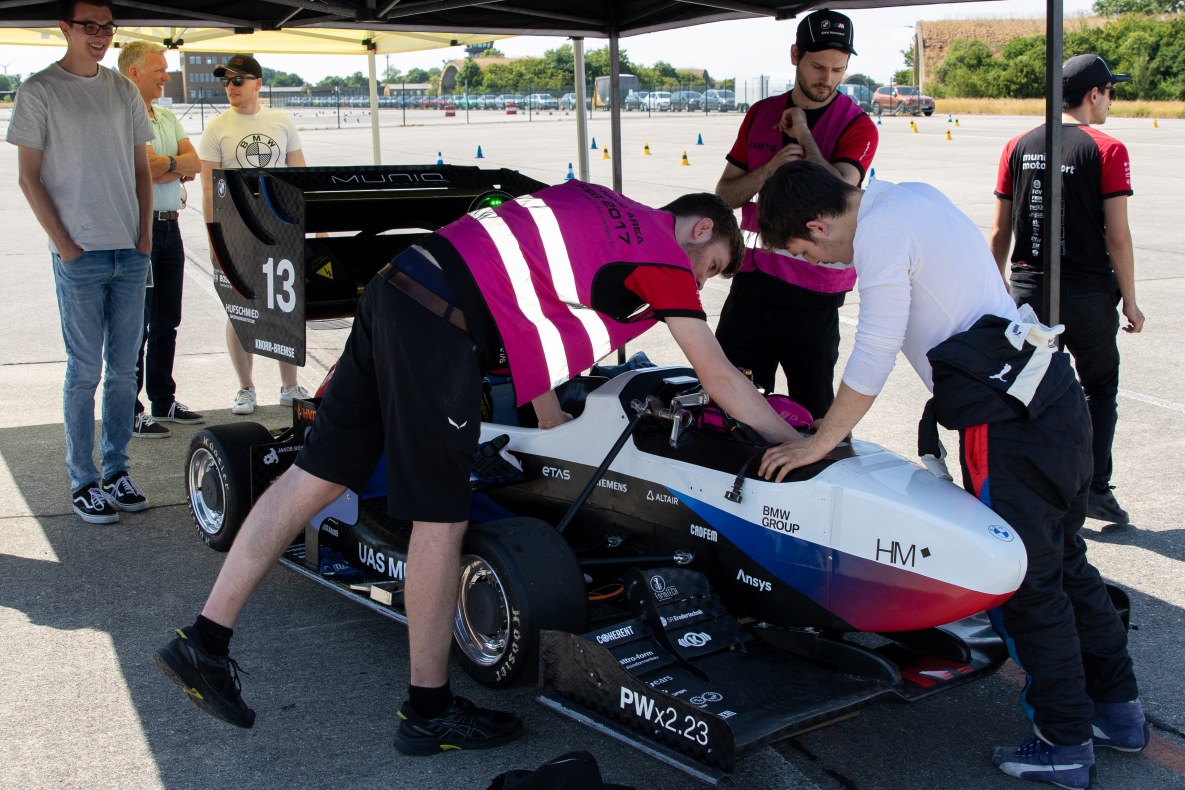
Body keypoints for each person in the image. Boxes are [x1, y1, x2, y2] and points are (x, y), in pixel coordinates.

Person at [152, 181, 803, 754]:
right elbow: (718, 375)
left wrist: (547, 412)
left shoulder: (600, 203)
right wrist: (796, 443)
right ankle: (428, 711)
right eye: (709, 267)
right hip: (439, 327)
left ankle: (203, 641)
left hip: (397, 285)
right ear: (698, 228)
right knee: (441, 520)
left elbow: (524, 287)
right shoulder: (661, 255)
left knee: (311, 476)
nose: (700, 282)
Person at [757, 161, 1146, 790]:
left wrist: (820, 442)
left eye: (808, 252)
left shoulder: (880, 233)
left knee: (1021, 583)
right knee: (1067, 565)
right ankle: (1119, 714)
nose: (821, 263)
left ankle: (1065, 743)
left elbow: (875, 349)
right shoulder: (912, 196)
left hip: (1007, 424)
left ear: (818, 225)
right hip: (1053, 394)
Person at [7, 0, 153, 524]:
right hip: (79, 254)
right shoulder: (40, 90)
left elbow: (141, 170)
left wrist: (143, 236)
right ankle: (83, 480)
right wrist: (64, 243)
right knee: (85, 370)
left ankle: (117, 469)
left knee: (123, 371)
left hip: (130, 252)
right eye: (89, 26)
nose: (101, 35)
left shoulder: (123, 90)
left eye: (108, 27)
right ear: (65, 28)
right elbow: (28, 177)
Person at [990, 53, 1145, 526]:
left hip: (1028, 290)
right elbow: (1117, 236)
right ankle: (1094, 488)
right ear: (1093, 94)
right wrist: (1131, 301)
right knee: (1098, 387)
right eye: (1110, 92)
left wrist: (995, 290)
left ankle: (1028, 489)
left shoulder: (1018, 144)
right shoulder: (1108, 149)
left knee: (1027, 390)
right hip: (1087, 295)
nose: (1111, 101)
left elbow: (1000, 230)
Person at [713, 8, 877, 420]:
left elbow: (839, 196)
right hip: (751, 289)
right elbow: (724, 195)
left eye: (838, 69)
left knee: (814, 413)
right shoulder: (760, 114)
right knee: (728, 407)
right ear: (795, 56)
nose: (828, 78)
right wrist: (769, 170)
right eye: (818, 66)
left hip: (813, 299)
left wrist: (803, 133)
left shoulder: (857, 125)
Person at [198, 53, 310, 415]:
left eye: (238, 80)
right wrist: (214, 238)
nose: (230, 87)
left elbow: (302, 177)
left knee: (285, 306)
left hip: (281, 234)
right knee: (240, 310)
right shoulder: (216, 128)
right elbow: (208, 189)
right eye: (226, 81)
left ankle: (290, 386)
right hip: (237, 235)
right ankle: (245, 388)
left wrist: (316, 229)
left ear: (257, 84)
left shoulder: (281, 121)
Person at [117, 41, 204, 439]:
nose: (167, 77)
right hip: (141, 230)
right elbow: (146, 168)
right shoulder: (123, 114)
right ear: (134, 72)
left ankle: (163, 400)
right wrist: (174, 166)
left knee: (168, 320)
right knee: (136, 325)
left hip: (171, 227)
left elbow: (194, 162)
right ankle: (130, 408)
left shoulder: (166, 115)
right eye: (159, 70)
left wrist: (168, 164)